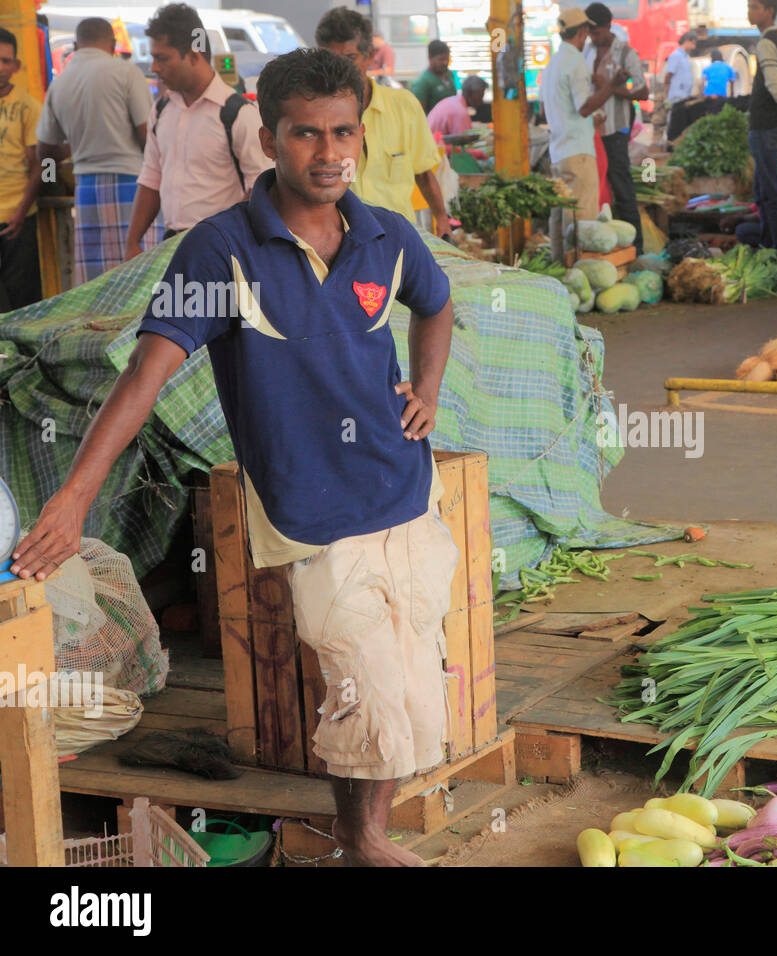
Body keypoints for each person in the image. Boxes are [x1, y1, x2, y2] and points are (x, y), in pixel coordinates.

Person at [12, 48, 459, 865]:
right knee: (365, 686)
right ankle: (360, 838)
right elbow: (144, 377)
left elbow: (436, 303)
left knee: (420, 698)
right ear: (266, 133)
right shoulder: (220, 253)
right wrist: (74, 498)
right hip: (311, 511)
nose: (328, 154)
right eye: (305, 134)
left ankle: (371, 833)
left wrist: (425, 388)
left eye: (343, 133)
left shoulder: (388, 234)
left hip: (406, 489)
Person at [123, 4, 271, 257]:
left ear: (194, 55)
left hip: (224, 247)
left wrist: (219, 235)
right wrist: (132, 242)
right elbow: (151, 179)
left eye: (162, 58)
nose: (154, 68)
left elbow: (260, 188)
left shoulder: (238, 115)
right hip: (171, 246)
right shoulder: (161, 111)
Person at [37, 17, 163, 284]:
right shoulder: (127, 73)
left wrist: (75, 147)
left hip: (87, 189)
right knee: (140, 279)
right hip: (135, 186)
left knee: (97, 283)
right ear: (113, 44)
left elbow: (44, 151)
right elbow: (146, 136)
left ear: (75, 44)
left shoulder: (59, 83)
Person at [316, 7, 451, 235]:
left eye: (350, 58)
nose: (339, 70)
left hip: (399, 238)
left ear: (369, 56)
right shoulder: (314, 114)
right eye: (331, 60)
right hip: (340, 241)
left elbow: (424, 174)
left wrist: (442, 219)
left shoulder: (404, 106)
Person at [540, 8, 625, 234]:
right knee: (583, 221)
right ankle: (578, 266)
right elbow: (585, 107)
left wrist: (588, 121)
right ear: (583, 31)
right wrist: (612, 85)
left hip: (559, 151)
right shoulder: (575, 61)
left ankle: (559, 264)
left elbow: (546, 109)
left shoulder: (552, 63)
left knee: (561, 219)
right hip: (577, 153)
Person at [585, 3, 648, 254]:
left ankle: (637, 249)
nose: (593, 38)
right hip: (591, 131)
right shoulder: (587, 51)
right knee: (598, 190)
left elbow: (643, 92)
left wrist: (611, 87)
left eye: (597, 32)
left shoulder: (626, 54)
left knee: (622, 187)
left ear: (608, 27)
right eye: (590, 32)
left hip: (616, 129)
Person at [747, 0, 777, 263]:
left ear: (769, 11)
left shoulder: (767, 42)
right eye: (749, 6)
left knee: (769, 189)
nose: (749, 12)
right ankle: (768, 246)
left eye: (755, 7)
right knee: (764, 189)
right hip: (775, 125)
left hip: (765, 125)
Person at [0, 27, 42, 312]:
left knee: (20, 300)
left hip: (17, 218)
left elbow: (40, 164)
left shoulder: (29, 106)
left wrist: (20, 212)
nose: (0, 67)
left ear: (15, 66)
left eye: (6, 61)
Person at [663, 31, 697, 141]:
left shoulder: (685, 57)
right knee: (674, 125)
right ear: (687, 41)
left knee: (681, 124)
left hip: (684, 96)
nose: (694, 46)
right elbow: (668, 75)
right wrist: (666, 93)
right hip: (676, 96)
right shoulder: (676, 56)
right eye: (693, 43)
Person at [410, 40, 458, 114]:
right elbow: (418, 113)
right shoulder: (422, 82)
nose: (445, 62)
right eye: (441, 59)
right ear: (430, 58)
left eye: (447, 59)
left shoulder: (449, 74)